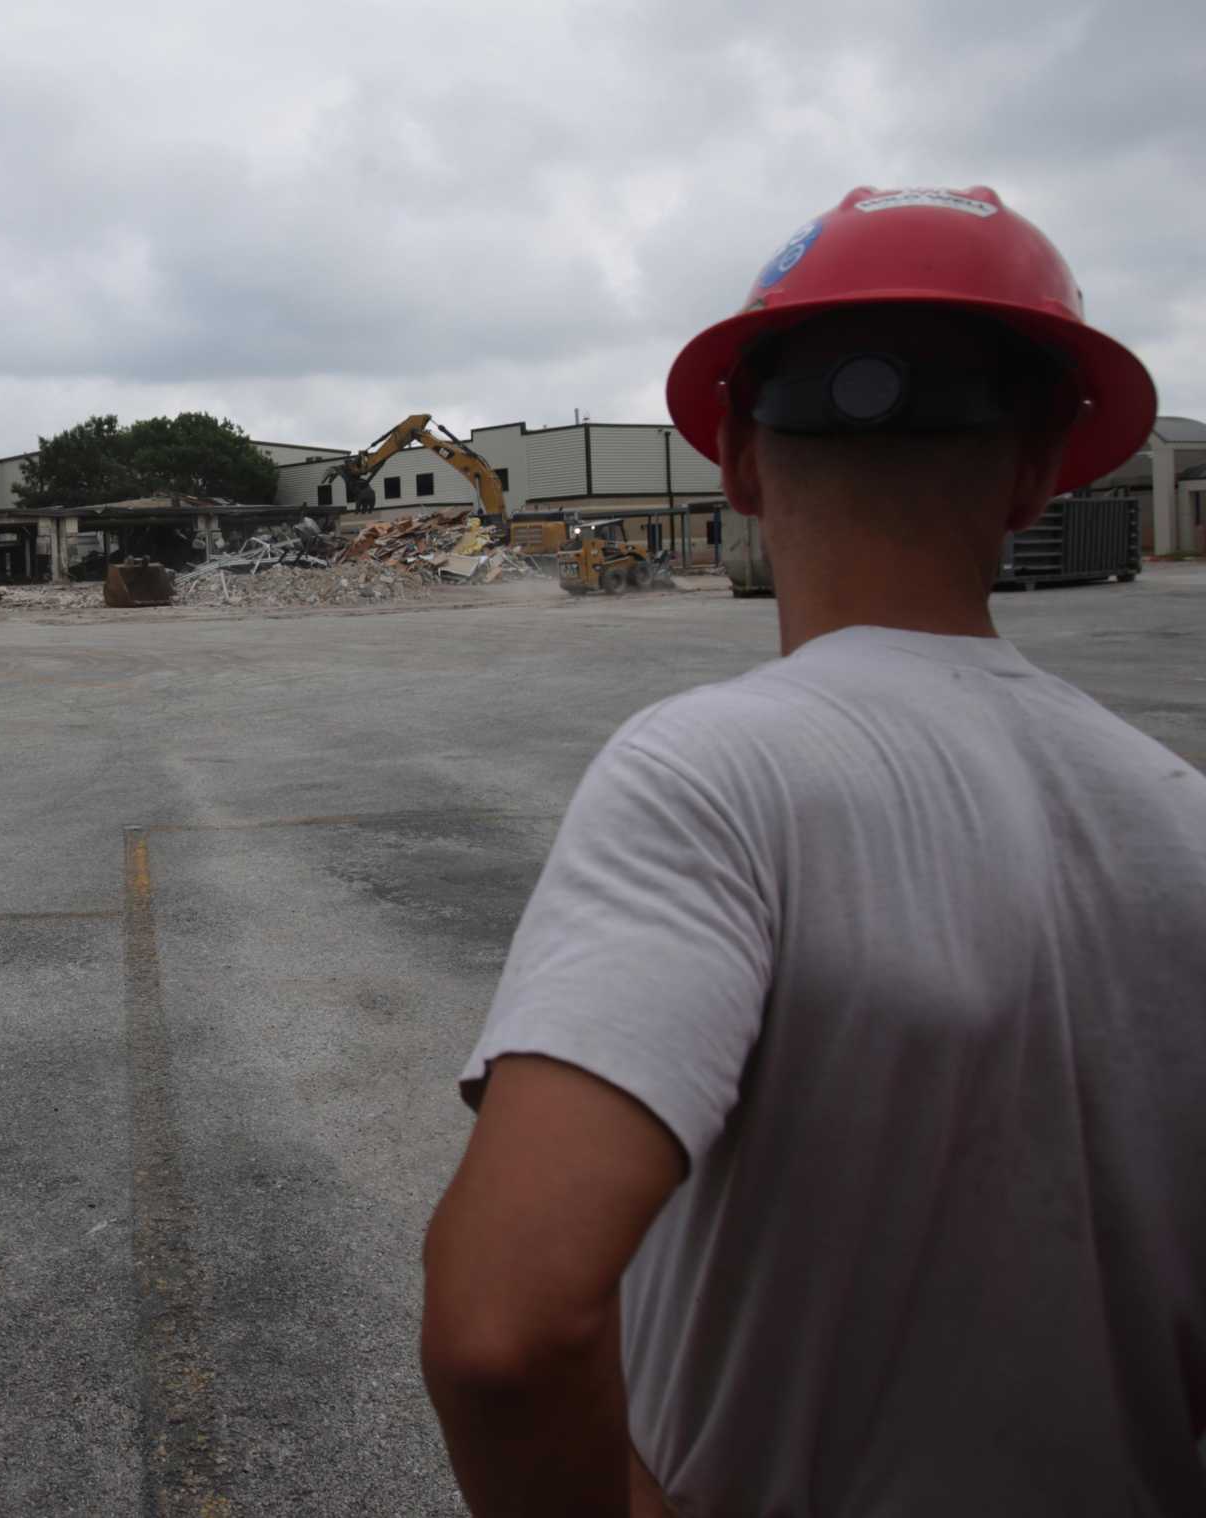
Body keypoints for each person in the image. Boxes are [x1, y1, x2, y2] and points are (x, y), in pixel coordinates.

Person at [421, 186, 1206, 1515]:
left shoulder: (710, 776)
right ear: (1038, 473)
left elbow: (505, 1328)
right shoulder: (1182, 817)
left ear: (733, 459)